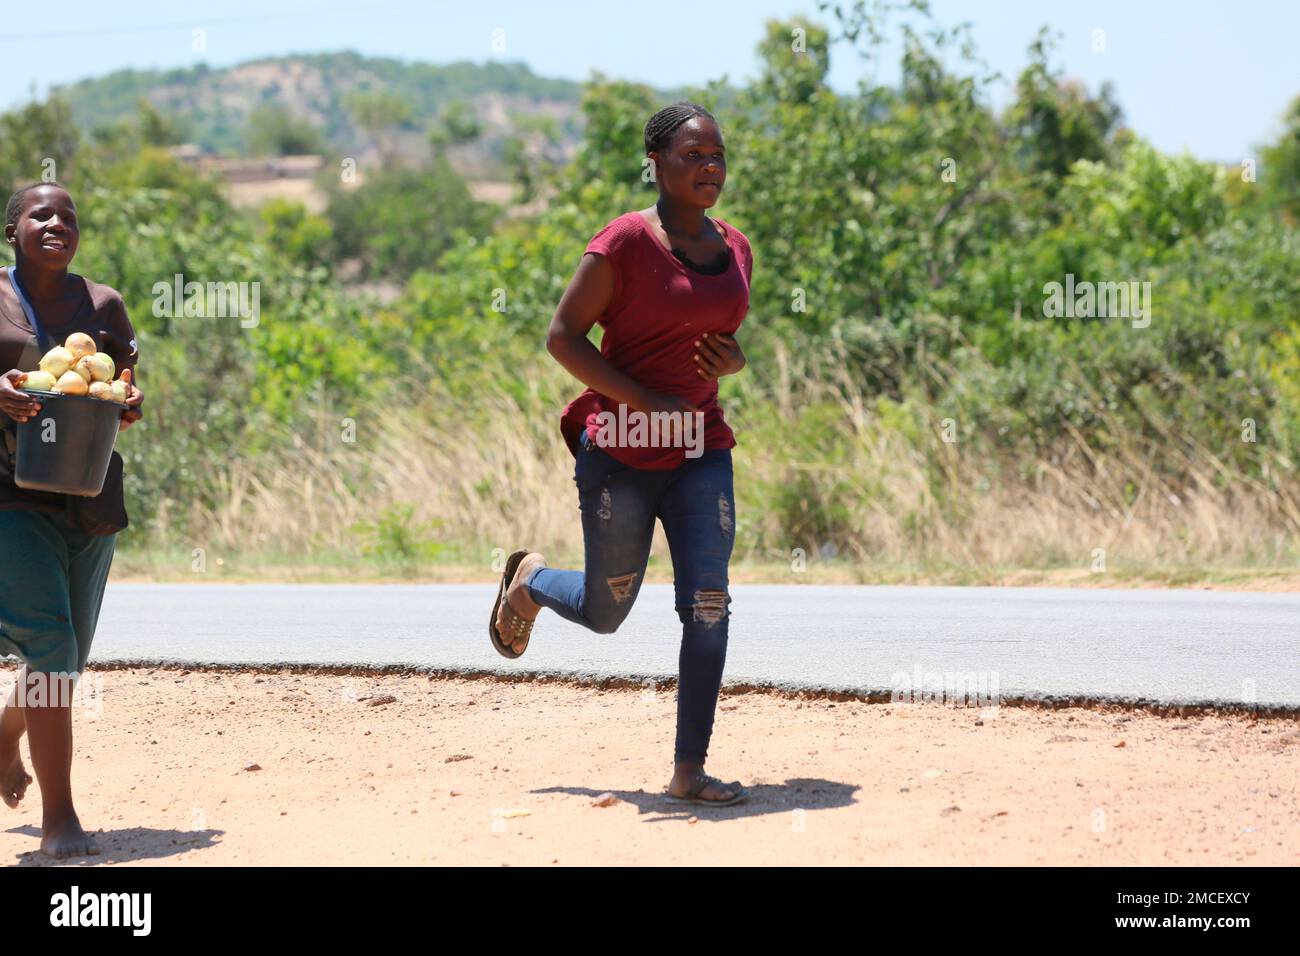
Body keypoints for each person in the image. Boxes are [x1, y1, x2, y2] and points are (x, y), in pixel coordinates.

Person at [489, 103, 753, 806]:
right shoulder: (624, 244)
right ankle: (532, 582)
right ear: (656, 165)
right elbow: (563, 338)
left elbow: (716, 339)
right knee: (608, 615)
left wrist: (733, 362)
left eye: (718, 155)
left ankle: (688, 770)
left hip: (701, 448)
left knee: (708, 602)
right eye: (693, 156)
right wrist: (639, 402)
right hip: (624, 454)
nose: (710, 167)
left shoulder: (736, 248)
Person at [0, 181, 144, 858]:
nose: (57, 222)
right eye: (40, 214)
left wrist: (129, 400)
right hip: (8, 500)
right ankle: (61, 819)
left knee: (66, 659)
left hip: (87, 500)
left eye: (69, 216)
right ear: (13, 232)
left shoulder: (105, 304)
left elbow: (121, 386)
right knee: (51, 649)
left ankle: (6, 732)